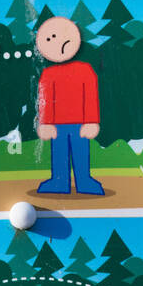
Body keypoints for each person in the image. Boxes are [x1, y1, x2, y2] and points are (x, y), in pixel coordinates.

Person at [35, 15, 105, 196]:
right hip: (57, 125)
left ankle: (84, 181)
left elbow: (90, 96)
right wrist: (46, 123)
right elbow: (45, 101)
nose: (57, 42)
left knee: (81, 152)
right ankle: (59, 181)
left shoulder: (85, 70)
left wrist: (91, 121)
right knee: (59, 153)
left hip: (80, 123)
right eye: (50, 38)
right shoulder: (48, 74)